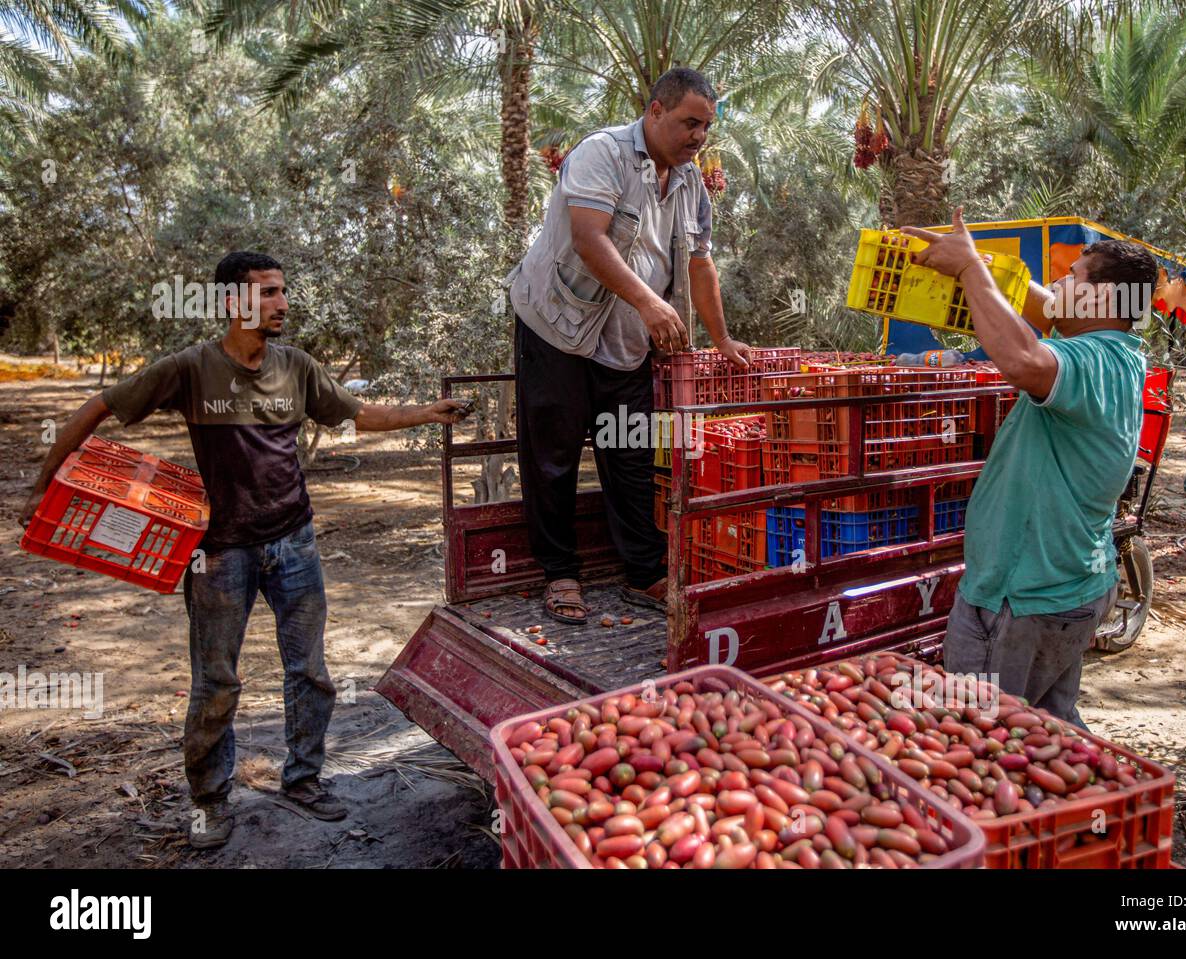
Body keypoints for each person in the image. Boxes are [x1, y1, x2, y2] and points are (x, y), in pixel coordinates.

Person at [20, 251, 468, 849]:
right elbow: (100, 406)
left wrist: (424, 413)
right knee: (216, 682)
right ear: (233, 302)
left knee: (309, 672)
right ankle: (208, 799)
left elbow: (360, 415)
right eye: (268, 293)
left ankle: (303, 781)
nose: (282, 304)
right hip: (219, 555)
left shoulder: (298, 368)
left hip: (295, 543)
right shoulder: (190, 369)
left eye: (284, 292)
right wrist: (43, 483)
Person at [506, 67, 749, 625]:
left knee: (631, 450)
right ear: (655, 111)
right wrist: (648, 303)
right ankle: (560, 572)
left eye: (706, 128)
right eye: (690, 123)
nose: (698, 138)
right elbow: (590, 239)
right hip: (557, 327)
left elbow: (699, 262)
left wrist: (720, 337)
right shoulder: (603, 153)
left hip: (625, 341)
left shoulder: (690, 183)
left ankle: (642, 572)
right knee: (553, 454)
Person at [901, 211, 1156, 728]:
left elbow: (1022, 360)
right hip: (1072, 586)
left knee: (982, 739)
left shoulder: (1086, 358)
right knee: (1048, 728)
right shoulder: (1121, 353)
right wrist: (976, 265)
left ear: (1102, 300)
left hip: (1022, 597)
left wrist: (972, 271)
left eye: (1073, 276)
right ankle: (1090, 803)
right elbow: (1045, 308)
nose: (1060, 282)